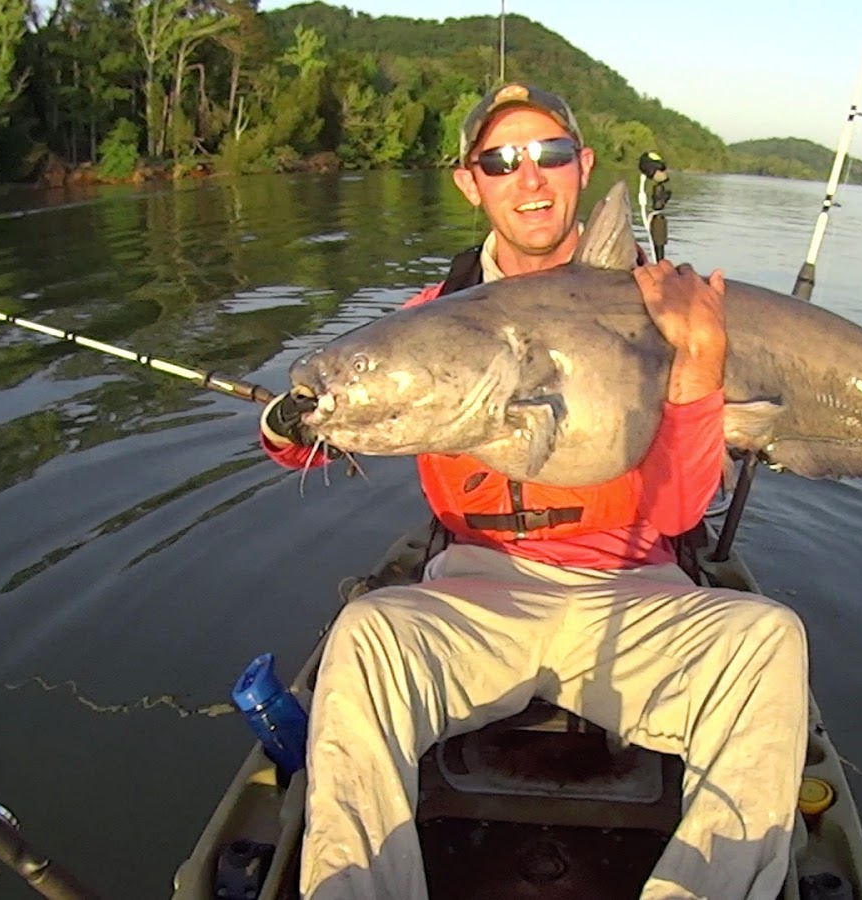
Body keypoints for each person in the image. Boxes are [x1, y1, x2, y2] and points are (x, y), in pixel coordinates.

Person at [259, 83, 809, 900]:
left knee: (770, 641)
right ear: (469, 181)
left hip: (634, 594)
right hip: (477, 597)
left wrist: (697, 366)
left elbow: (677, 513)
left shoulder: (665, 315)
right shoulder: (424, 319)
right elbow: (306, 434)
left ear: (582, 167)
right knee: (366, 632)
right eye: (501, 160)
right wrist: (290, 420)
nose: (531, 177)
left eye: (551, 154)